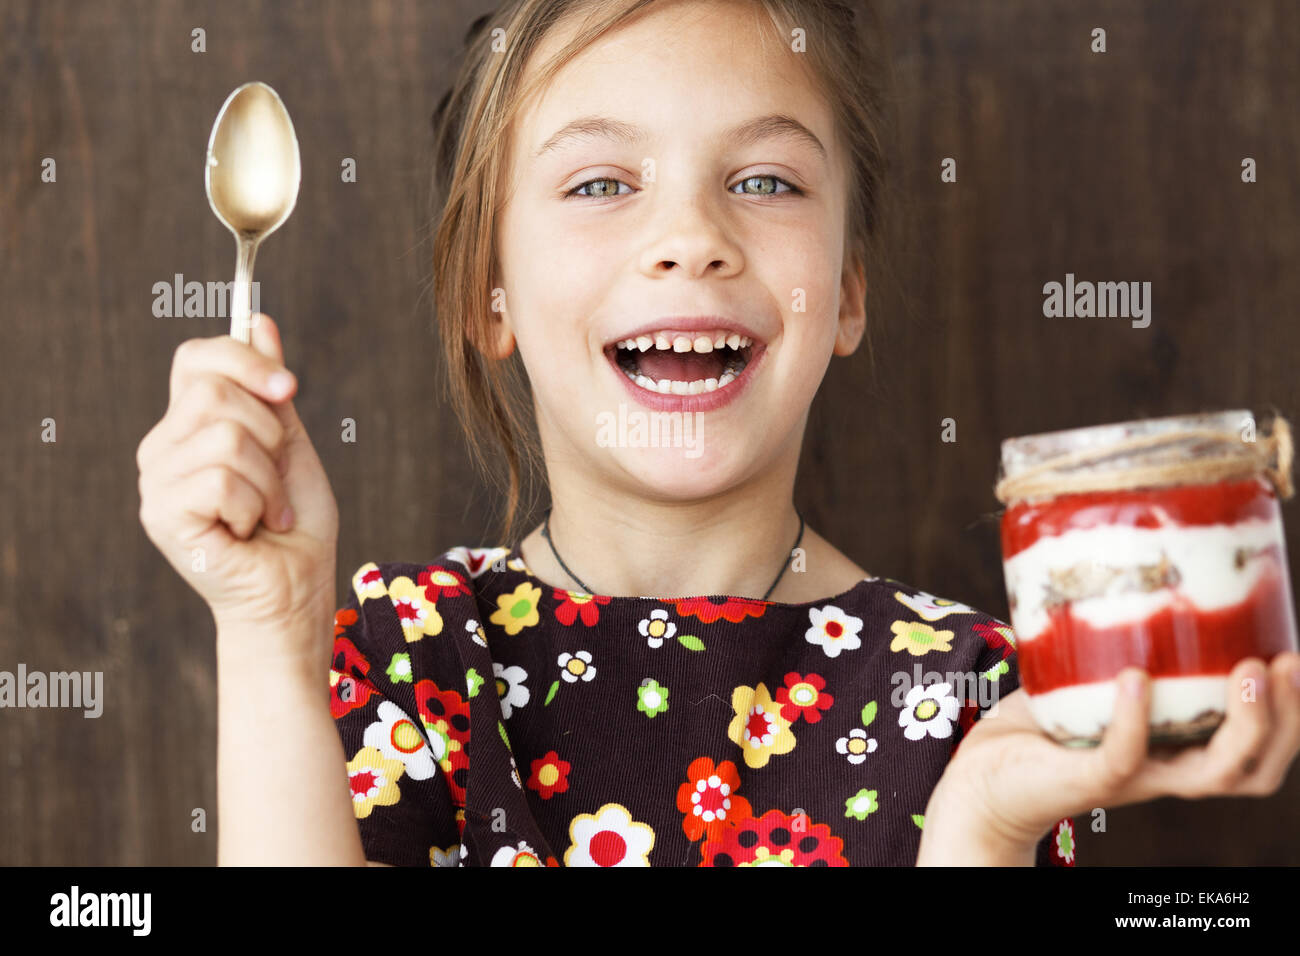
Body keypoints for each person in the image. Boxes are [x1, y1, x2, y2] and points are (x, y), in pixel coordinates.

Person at [137, 0, 1300, 866]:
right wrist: (265, 630)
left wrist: (981, 836)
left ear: (845, 290)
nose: (689, 236)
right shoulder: (398, 659)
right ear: (484, 295)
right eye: (599, 184)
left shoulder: (983, 699)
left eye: (763, 180)